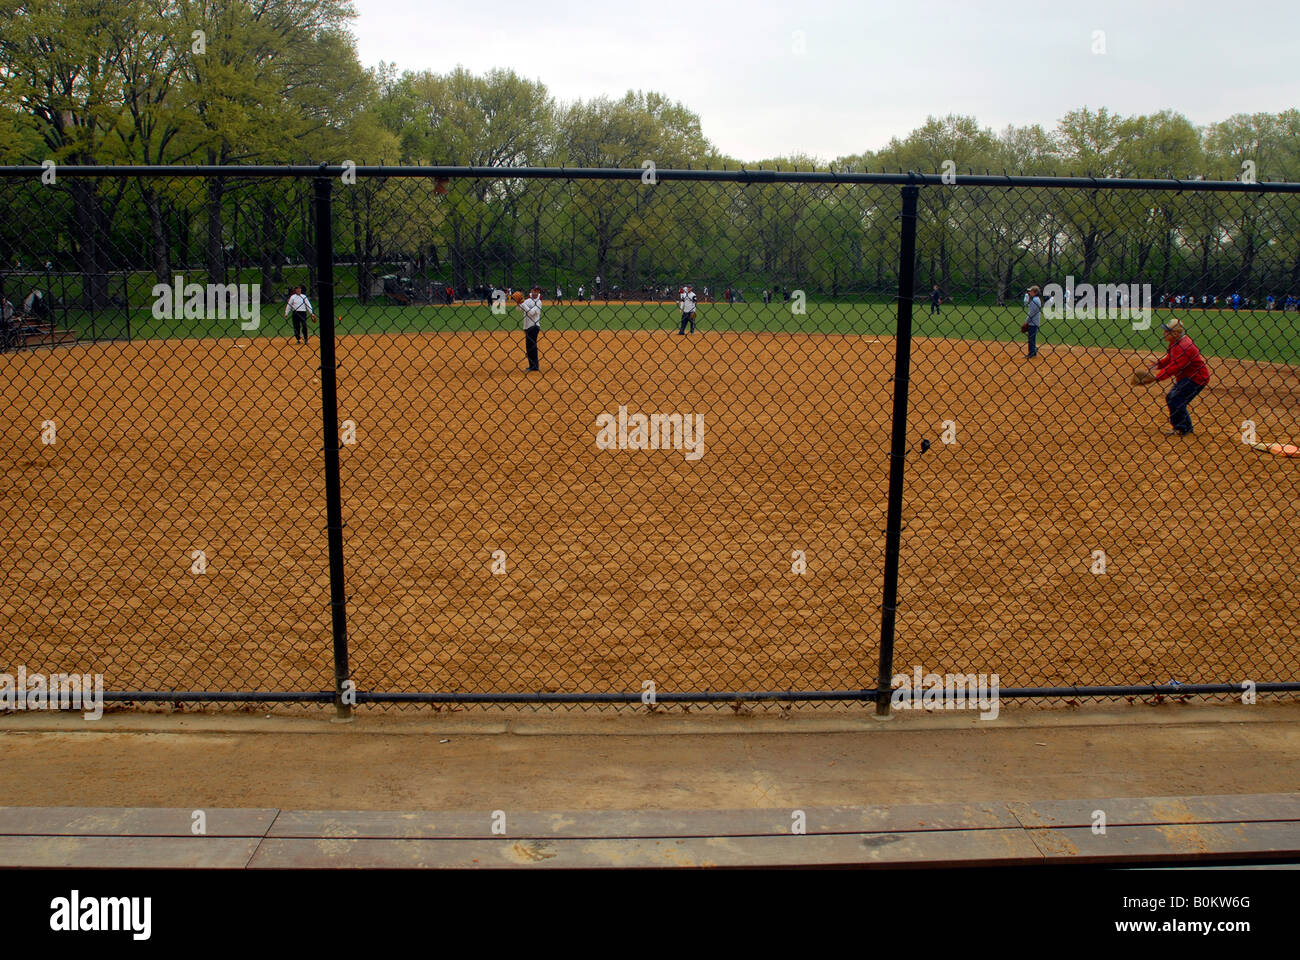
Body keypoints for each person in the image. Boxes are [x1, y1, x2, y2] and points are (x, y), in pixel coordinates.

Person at [1134, 320, 1210, 436]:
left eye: (1166, 331)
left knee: (1176, 398)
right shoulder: (1175, 342)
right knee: (1174, 398)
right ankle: (1182, 427)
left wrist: (1157, 378)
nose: (1164, 333)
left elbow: (1175, 367)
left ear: (1175, 333)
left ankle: (1183, 428)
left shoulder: (1185, 346)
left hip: (1196, 378)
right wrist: (1159, 364)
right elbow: (1171, 358)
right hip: (1187, 377)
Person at [517, 286, 542, 371]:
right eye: (534, 290)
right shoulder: (527, 301)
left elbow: (531, 313)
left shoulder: (539, 302)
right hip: (527, 326)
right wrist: (518, 302)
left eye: (537, 291)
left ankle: (535, 366)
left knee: (532, 347)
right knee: (528, 347)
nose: (536, 292)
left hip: (534, 326)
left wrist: (522, 303)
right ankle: (531, 365)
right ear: (531, 291)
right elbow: (518, 309)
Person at [1024, 285, 1042, 358]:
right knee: (1032, 337)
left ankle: (1031, 352)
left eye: (1031, 291)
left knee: (1031, 338)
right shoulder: (1036, 299)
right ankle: (1033, 351)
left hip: (1032, 322)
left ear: (1035, 292)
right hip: (1035, 321)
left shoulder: (1034, 300)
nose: (1029, 292)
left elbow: (1031, 313)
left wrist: (1026, 322)